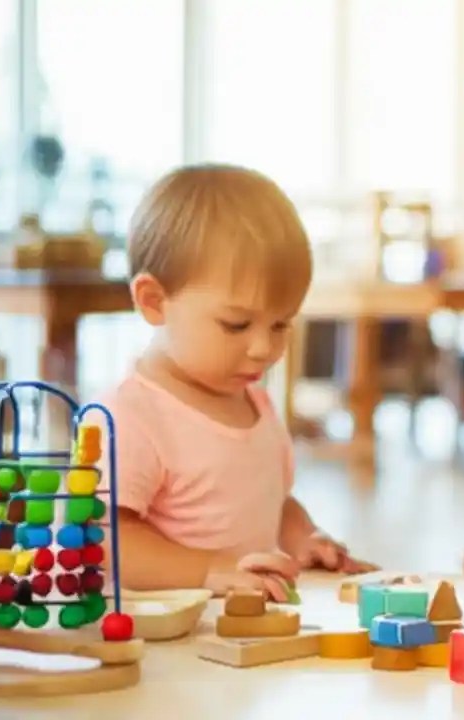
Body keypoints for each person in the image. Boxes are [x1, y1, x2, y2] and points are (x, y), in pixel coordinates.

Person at [98, 164, 376, 601]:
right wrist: (207, 570)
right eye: (236, 324)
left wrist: (305, 537)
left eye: (281, 324)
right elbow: (106, 541)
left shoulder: (256, 404)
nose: (263, 348)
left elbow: (272, 504)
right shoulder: (130, 416)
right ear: (154, 302)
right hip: (168, 645)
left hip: (245, 634)